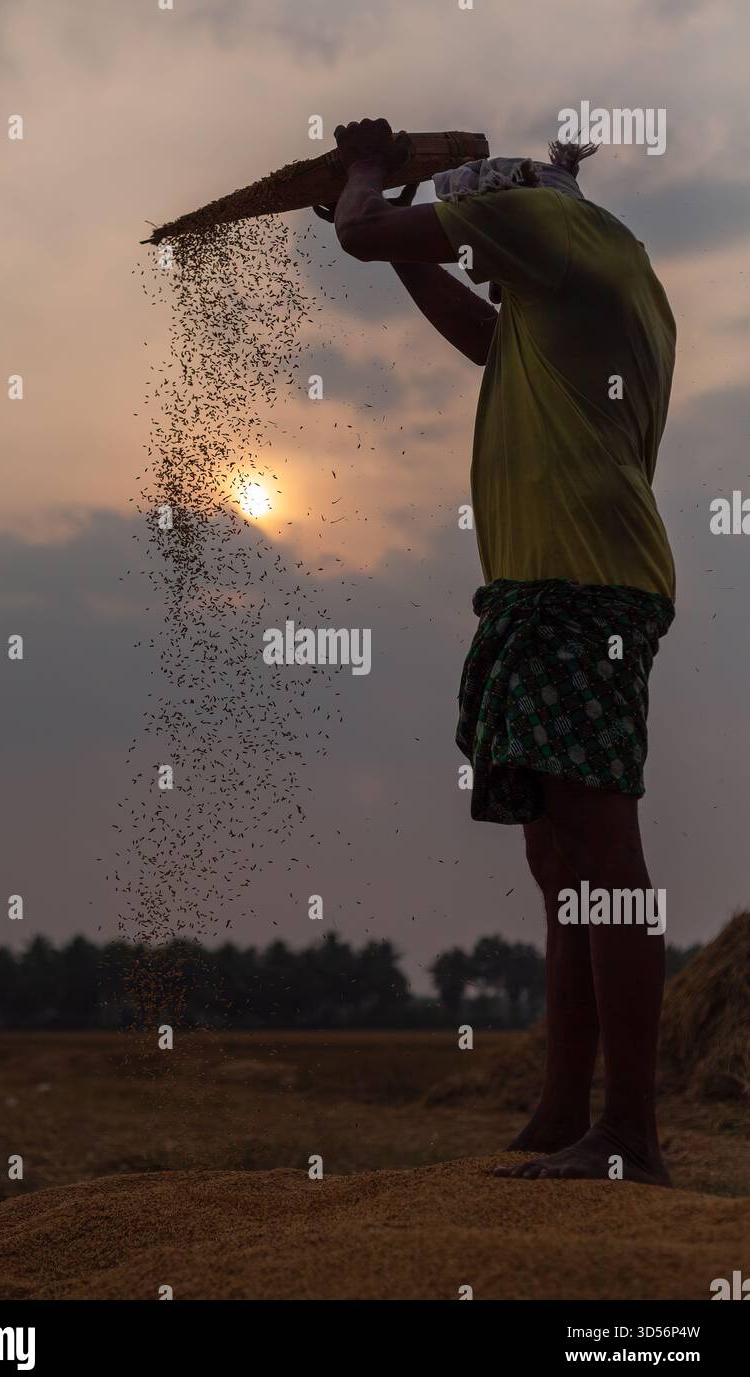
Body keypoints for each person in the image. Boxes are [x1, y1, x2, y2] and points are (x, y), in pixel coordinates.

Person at [323, 117, 676, 1185]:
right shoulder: (577, 285)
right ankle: (566, 1112)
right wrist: (379, 222)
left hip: (581, 589)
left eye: (471, 234)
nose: (467, 251)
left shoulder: (546, 227)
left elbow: (362, 236)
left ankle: (629, 1135)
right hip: (545, 590)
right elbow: (477, 335)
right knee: (560, 861)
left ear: (512, 215)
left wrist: (367, 180)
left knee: (601, 861)